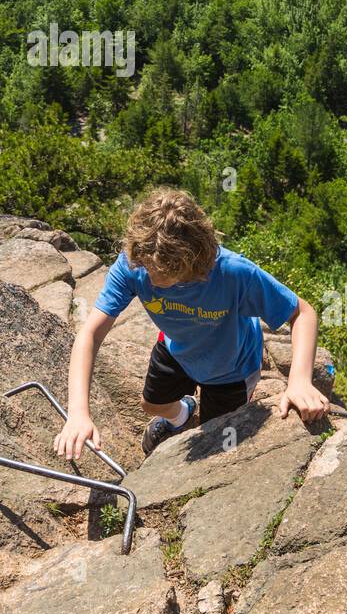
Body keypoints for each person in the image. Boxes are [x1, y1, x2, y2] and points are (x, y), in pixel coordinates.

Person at [54, 187, 328, 461]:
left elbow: (302, 313)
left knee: (217, 438)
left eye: (160, 273)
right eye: (146, 268)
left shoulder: (232, 273)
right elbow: (90, 333)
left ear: (193, 263)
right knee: (152, 404)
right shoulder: (134, 265)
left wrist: (299, 381)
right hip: (176, 348)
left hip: (232, 368)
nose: (149, 279)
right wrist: (78, 413)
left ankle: (200, 420)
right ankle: (181, 415)